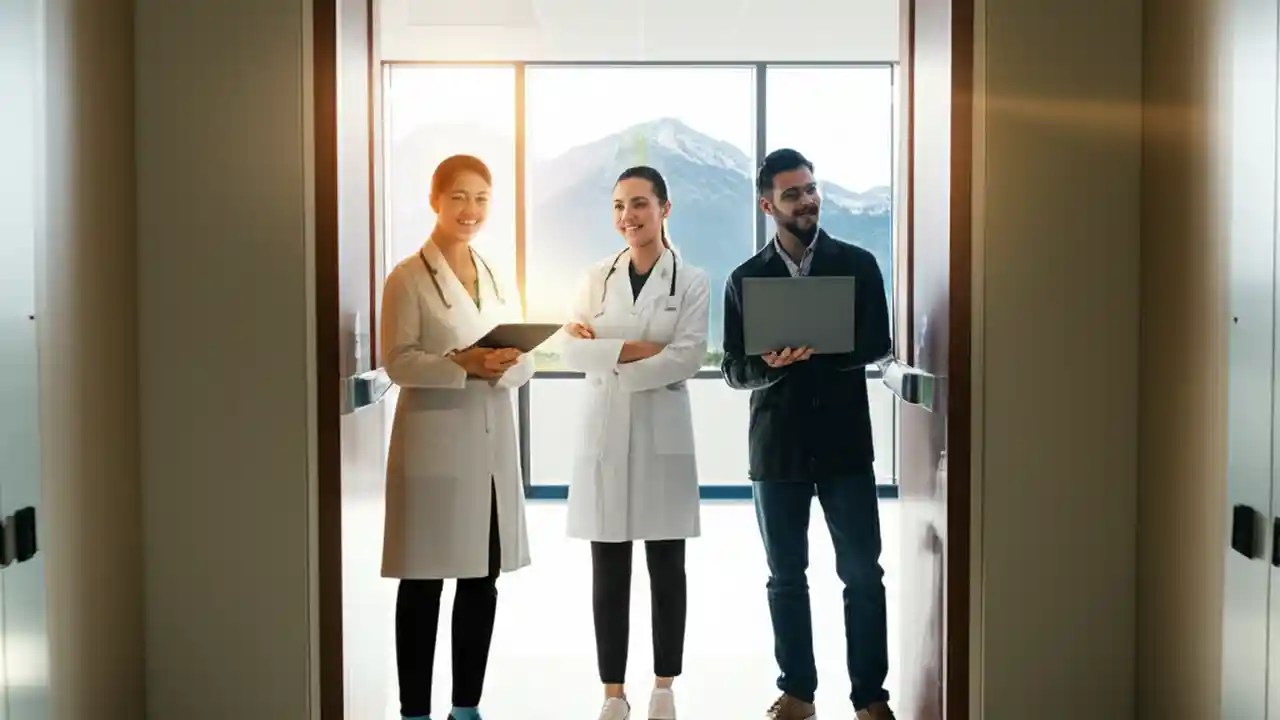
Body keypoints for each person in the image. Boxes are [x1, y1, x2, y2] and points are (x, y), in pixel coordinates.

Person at [720, 149, 895, 720]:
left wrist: (822, 344)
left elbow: (877, 345)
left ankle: (870, 698)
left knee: (863, 575)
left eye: (812, 189)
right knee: (786, 578)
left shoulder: (859, 264)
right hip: (778, 451)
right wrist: (772, 363)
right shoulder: (745, 279)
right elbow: (733, 369)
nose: (807, 200)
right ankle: (798, 693)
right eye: (793, 193)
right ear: (768, 204)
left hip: (845, 447)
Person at [379, 154, 535, 720]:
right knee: (423, 582)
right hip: (435, 447)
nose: (471, 211)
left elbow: (522, 360)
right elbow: (397, 362)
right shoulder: (406, 277)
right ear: (435, 200)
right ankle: (415, 712)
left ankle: (465, 707)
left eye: (481, 199)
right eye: (459, 198)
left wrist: (508, 364)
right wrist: (464, 364)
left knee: (481, 579)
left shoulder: (492, 273)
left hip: (490, 447)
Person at [560, 165, 711, 720]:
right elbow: (570, 351)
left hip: (662, 436)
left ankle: (664, 686)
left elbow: (689, 357)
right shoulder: (596, 276)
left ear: (664, 209)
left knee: (667, 567)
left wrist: (609, 352)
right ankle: (613, 694)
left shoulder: (691, 280)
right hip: (605, 434)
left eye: (641, 204)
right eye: (620, 205)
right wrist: (637, 350)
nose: (629, 216)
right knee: (609, 568)